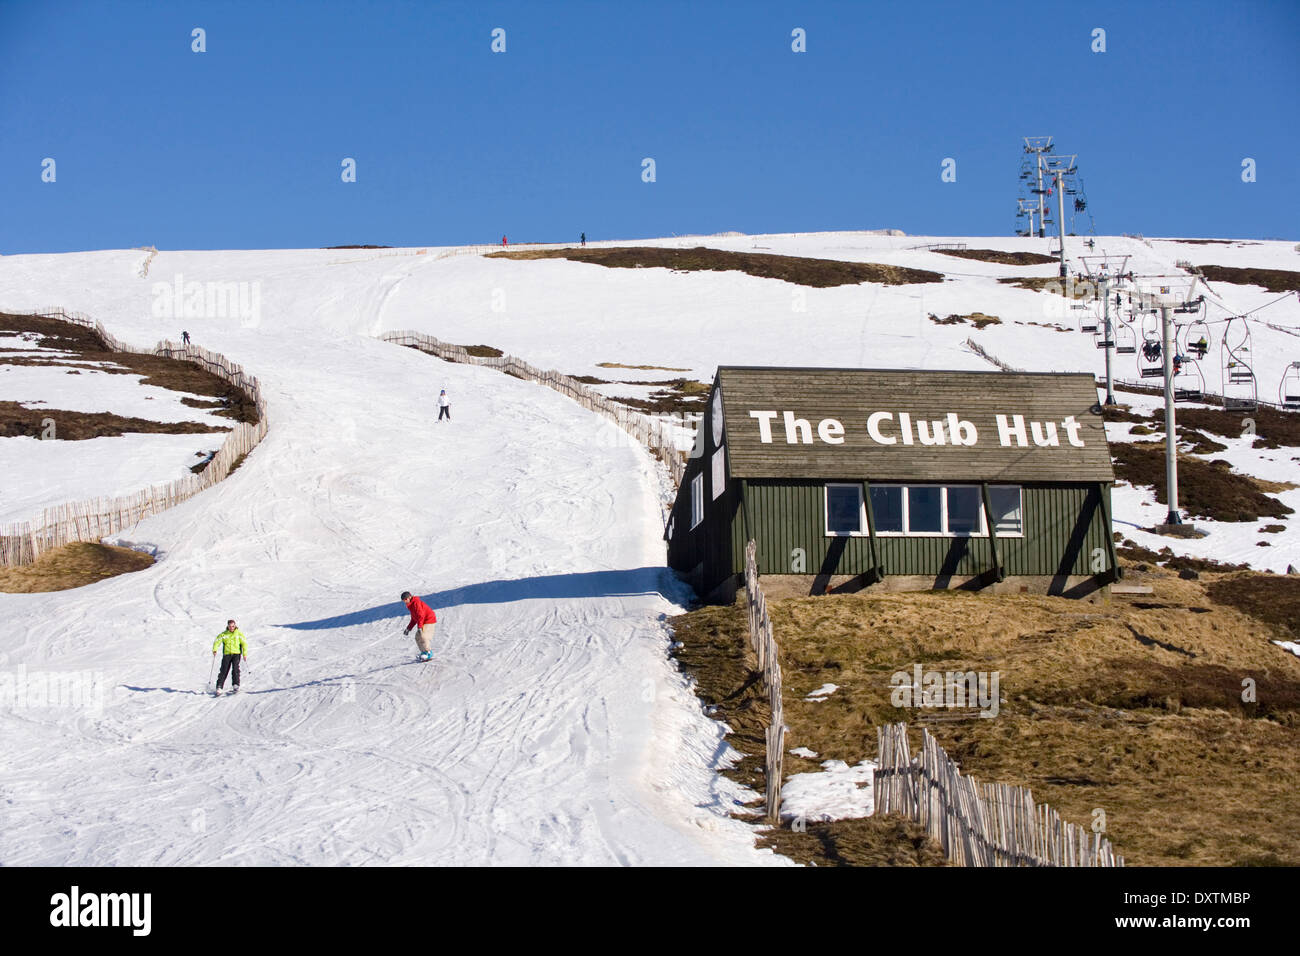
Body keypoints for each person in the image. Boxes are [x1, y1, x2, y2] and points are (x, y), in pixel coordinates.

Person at [212, 619, 248, 694]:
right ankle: (219, 686)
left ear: (235, 626)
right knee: (224, 670)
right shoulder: (224, 634)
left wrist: (244, 654)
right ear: (227, 626)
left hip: (236, 654)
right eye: (230, 626)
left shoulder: (239, 634)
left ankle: (236, 685)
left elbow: (244, 643)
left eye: (233, 626)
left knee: (235, 669)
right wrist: (215, 649)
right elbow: (217, 641)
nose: (231, 628)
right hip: (227, 654)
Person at [402, 592, 437, 661]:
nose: (405, 601)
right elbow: (414, 618)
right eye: (403, 600)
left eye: (406, 599)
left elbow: (421, 615)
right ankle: (424, 652)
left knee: (423, 636)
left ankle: (428, 653)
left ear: (409, 597)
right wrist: (408, 628)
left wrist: (420, 627)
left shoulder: (416, 603)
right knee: (417, 637)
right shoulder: (411, 605)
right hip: (423, 621)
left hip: (429, 619)